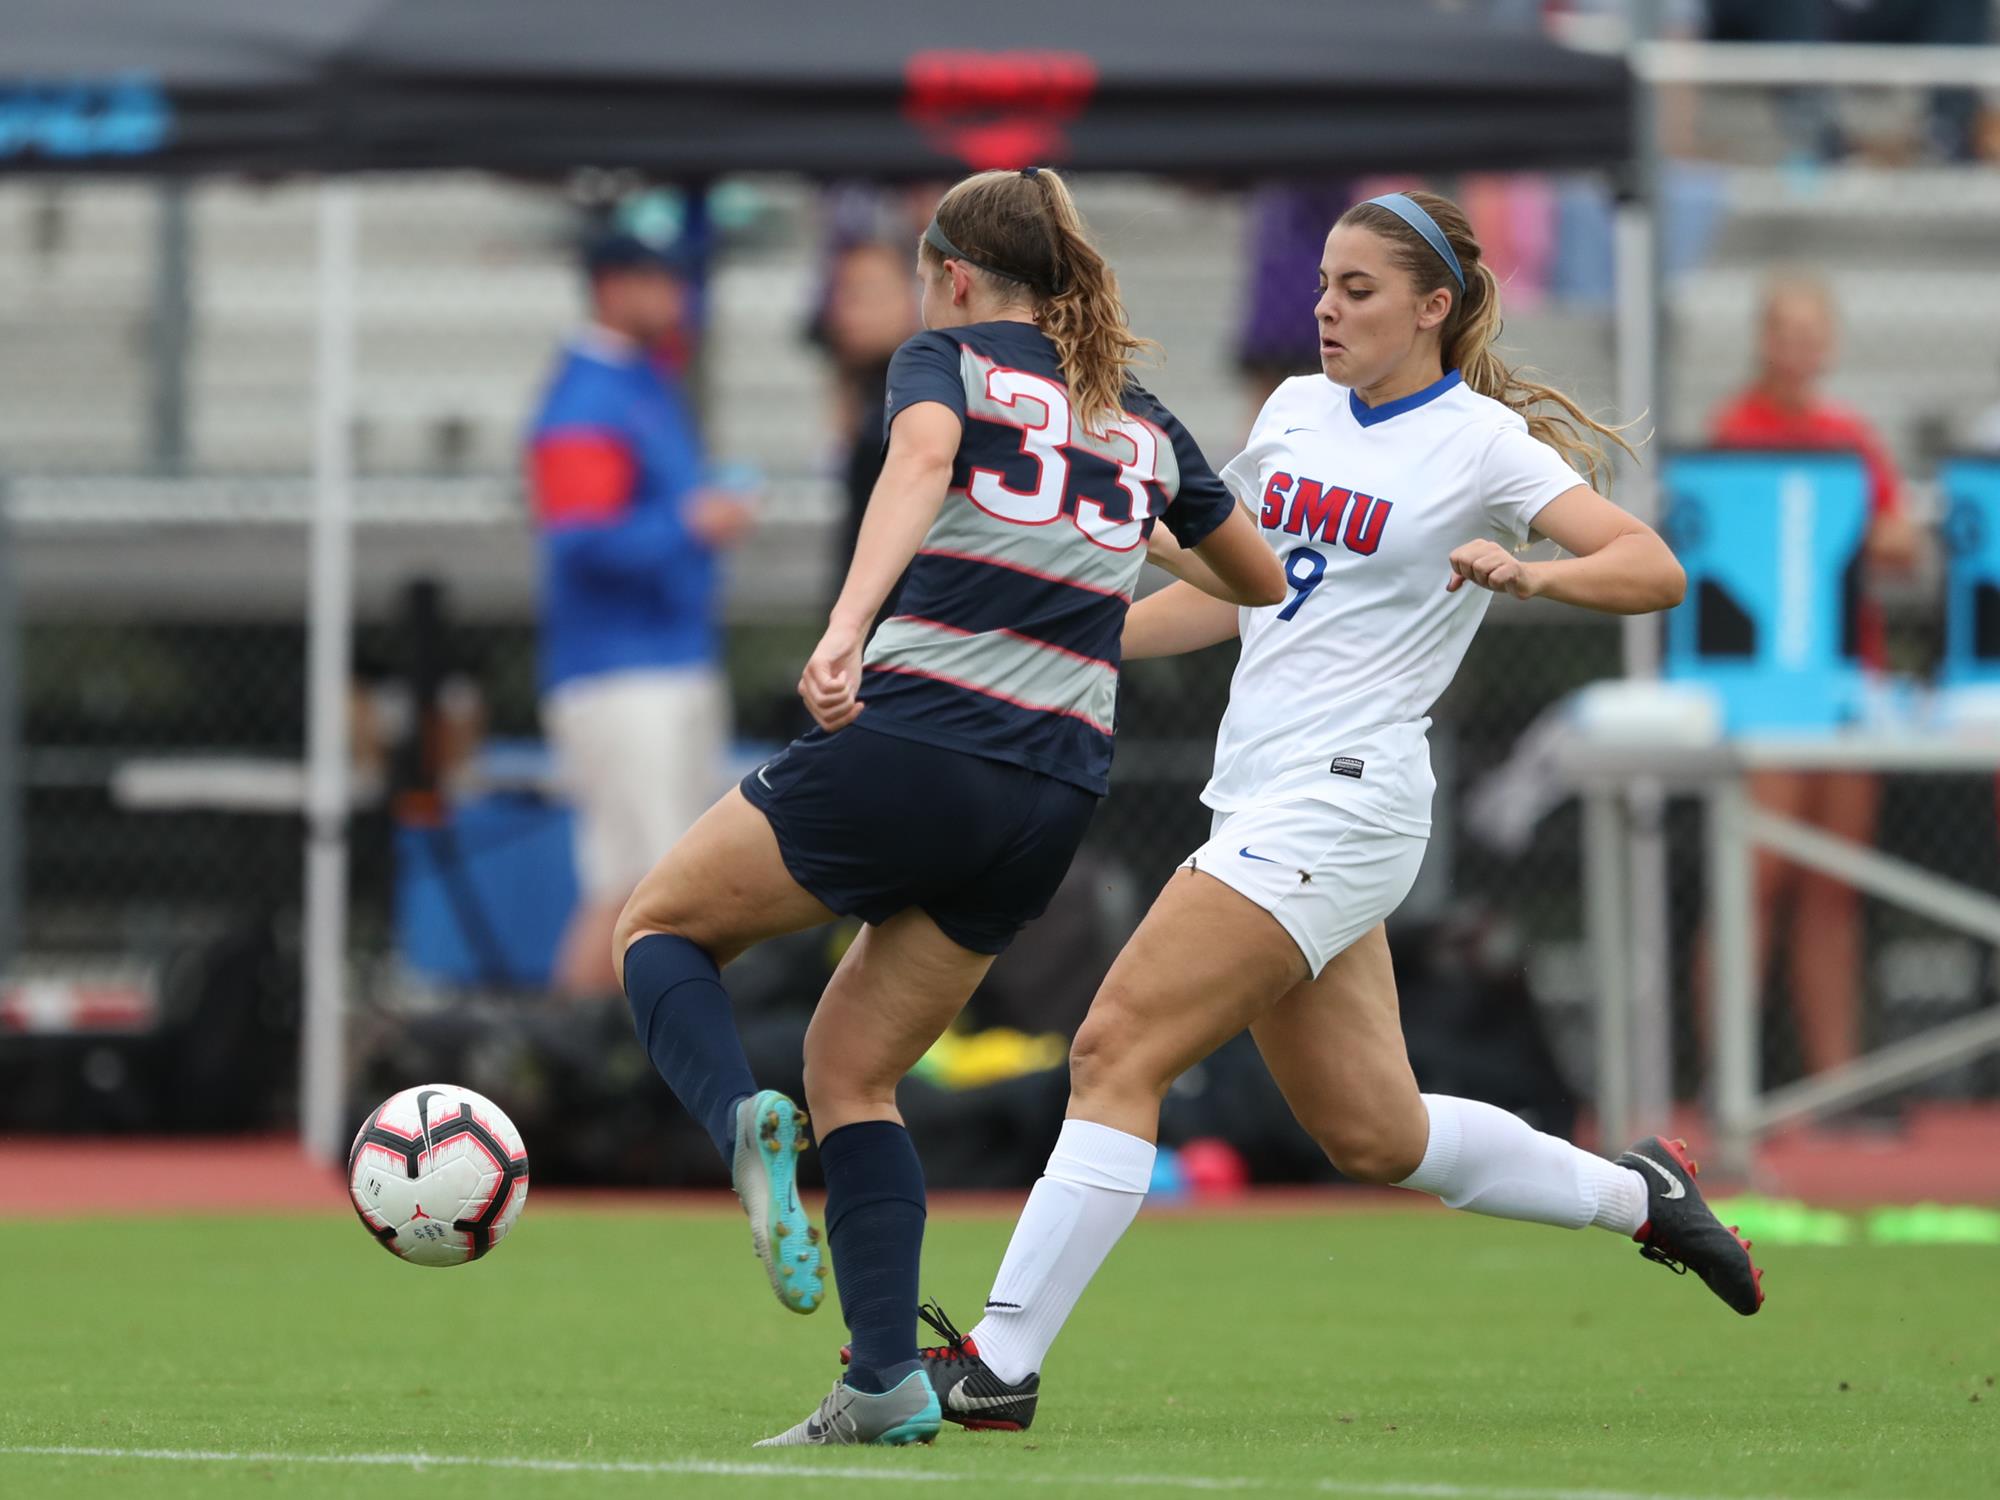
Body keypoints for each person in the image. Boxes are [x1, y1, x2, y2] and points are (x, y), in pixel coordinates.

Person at [872, 190, 1753, 1435]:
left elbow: (1650, 566)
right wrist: (1085, 615)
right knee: (1371, 1132)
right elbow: (1238, 587)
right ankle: (1638, 1195)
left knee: (1114, 1047)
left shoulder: (1481, 445)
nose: (1325, 307)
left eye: (1357, 290)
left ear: (1432, 307)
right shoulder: (1293, 410)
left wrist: (1531, 571)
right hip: (1262, 799)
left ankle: (999, 1364)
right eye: (1324, 284)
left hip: (1345, 801)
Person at [610, 167, 1283, 1447]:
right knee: (854, 1073)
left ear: (955, 277)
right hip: (1050, 795)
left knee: (659, 928)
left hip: (922, 737)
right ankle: (882, 1381)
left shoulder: (947, 360)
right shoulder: (1135, 421)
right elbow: (1249, 575)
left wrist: (845, 629)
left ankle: (738, 1133)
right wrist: (1108, 542)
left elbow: (920, 455)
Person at [528, 231, 756, 999]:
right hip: (619, 673)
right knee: (646, 894)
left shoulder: (641, 381)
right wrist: (691, 524)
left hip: (665, 664)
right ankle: (565, 1070)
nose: (678, 298)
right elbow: (579, 542)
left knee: (645, 887)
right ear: (611, 287)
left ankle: (576, 1071)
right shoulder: (587, 397)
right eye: (659, 280)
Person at [1707, 271, 1918, 1077]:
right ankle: (1730, 1085)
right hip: (1765, 690)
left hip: (1841, 680)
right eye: (1785, 334)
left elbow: (1901, 544)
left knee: (1834, 893)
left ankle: (1833, 1086)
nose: (1798, 352)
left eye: (1811, 336)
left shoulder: (1850, 437)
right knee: (1753, 881)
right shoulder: (1734, 434)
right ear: (1765, 341)